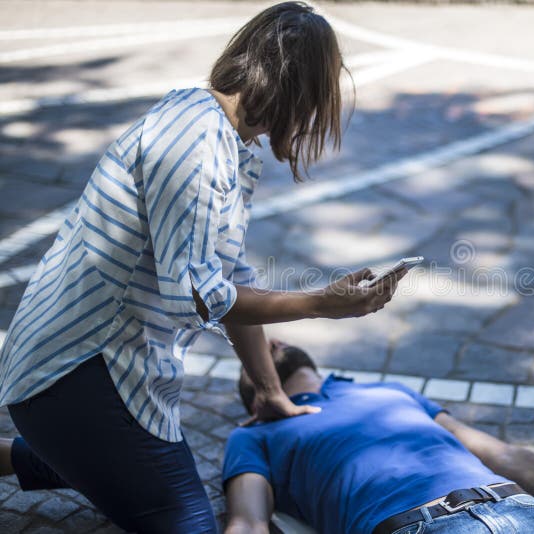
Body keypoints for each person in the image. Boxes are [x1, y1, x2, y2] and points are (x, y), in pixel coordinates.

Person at [0, 3, 403, 532]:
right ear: (299, 91)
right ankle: (65, 443)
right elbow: (196, 295)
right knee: (188, 520)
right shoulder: (195, 140)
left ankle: (33, 452)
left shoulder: (223, 137)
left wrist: (269, 390)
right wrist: (320, 305)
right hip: (78, 370)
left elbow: (230, 277)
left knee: (104, 466)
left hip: (81, 369)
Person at [222, 340, 534, 534]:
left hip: (519, 505)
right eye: (250, 356)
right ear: (254, 400)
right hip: (416, 526)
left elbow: (502, 454)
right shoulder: (255, 435)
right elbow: (248, 521)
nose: (270, 339)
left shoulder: (387, 390)